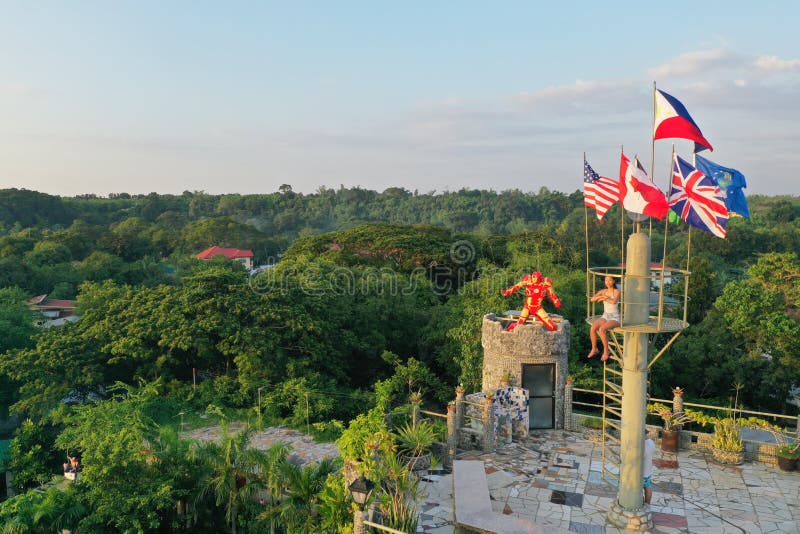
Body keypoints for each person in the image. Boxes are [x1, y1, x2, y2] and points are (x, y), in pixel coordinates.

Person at [587, 275, 620, 361]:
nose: (608, 282)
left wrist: (604, 299)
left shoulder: (617, 291)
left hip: (614, 317)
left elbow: (613, 302)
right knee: (593, 328)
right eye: (606, 281)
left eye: (610, 280)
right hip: (605, 315)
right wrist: (602, 297)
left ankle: (606, 351)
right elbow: (592, 299)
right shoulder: (603, 291)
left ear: (613, 281)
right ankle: (594, 349)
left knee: (602, 329)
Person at [643, 430, 655, 504]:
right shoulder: (651, 442)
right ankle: (647, 504)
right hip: (648, 470)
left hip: (642, 472)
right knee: (648, 487)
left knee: (642, 489)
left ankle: (644, 504)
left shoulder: (643, 445)